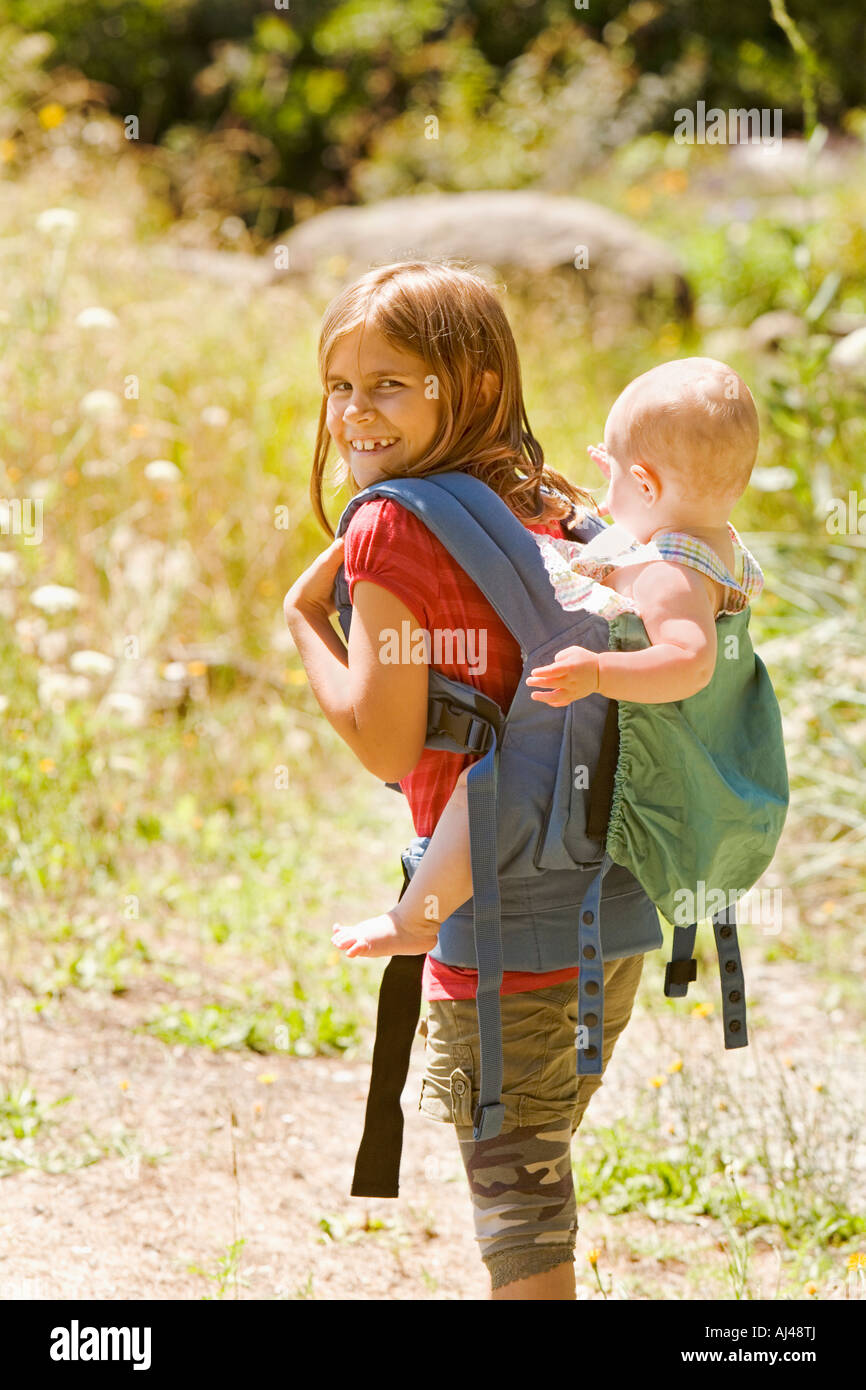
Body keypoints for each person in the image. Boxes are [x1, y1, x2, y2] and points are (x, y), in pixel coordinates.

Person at [284, 260, 659, 1300]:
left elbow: (388, 743)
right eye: (339, 386)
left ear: (475, 387)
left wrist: (302, 622)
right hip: (611, 920)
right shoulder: (553, 509)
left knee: (523, 1233)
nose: (355, 411)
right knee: (531, 1188)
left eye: (390, 384)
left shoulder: (393, 525)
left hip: (497, 930)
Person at [332, 356, 764, 960]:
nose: (605, 502)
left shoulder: (673, 575)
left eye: (615, 482)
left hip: (595, 729)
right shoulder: (707, 541)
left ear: (646, 484)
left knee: (488, 792)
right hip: (631, 742)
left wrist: (596, 671)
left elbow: (689, 661)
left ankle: (416, 919)